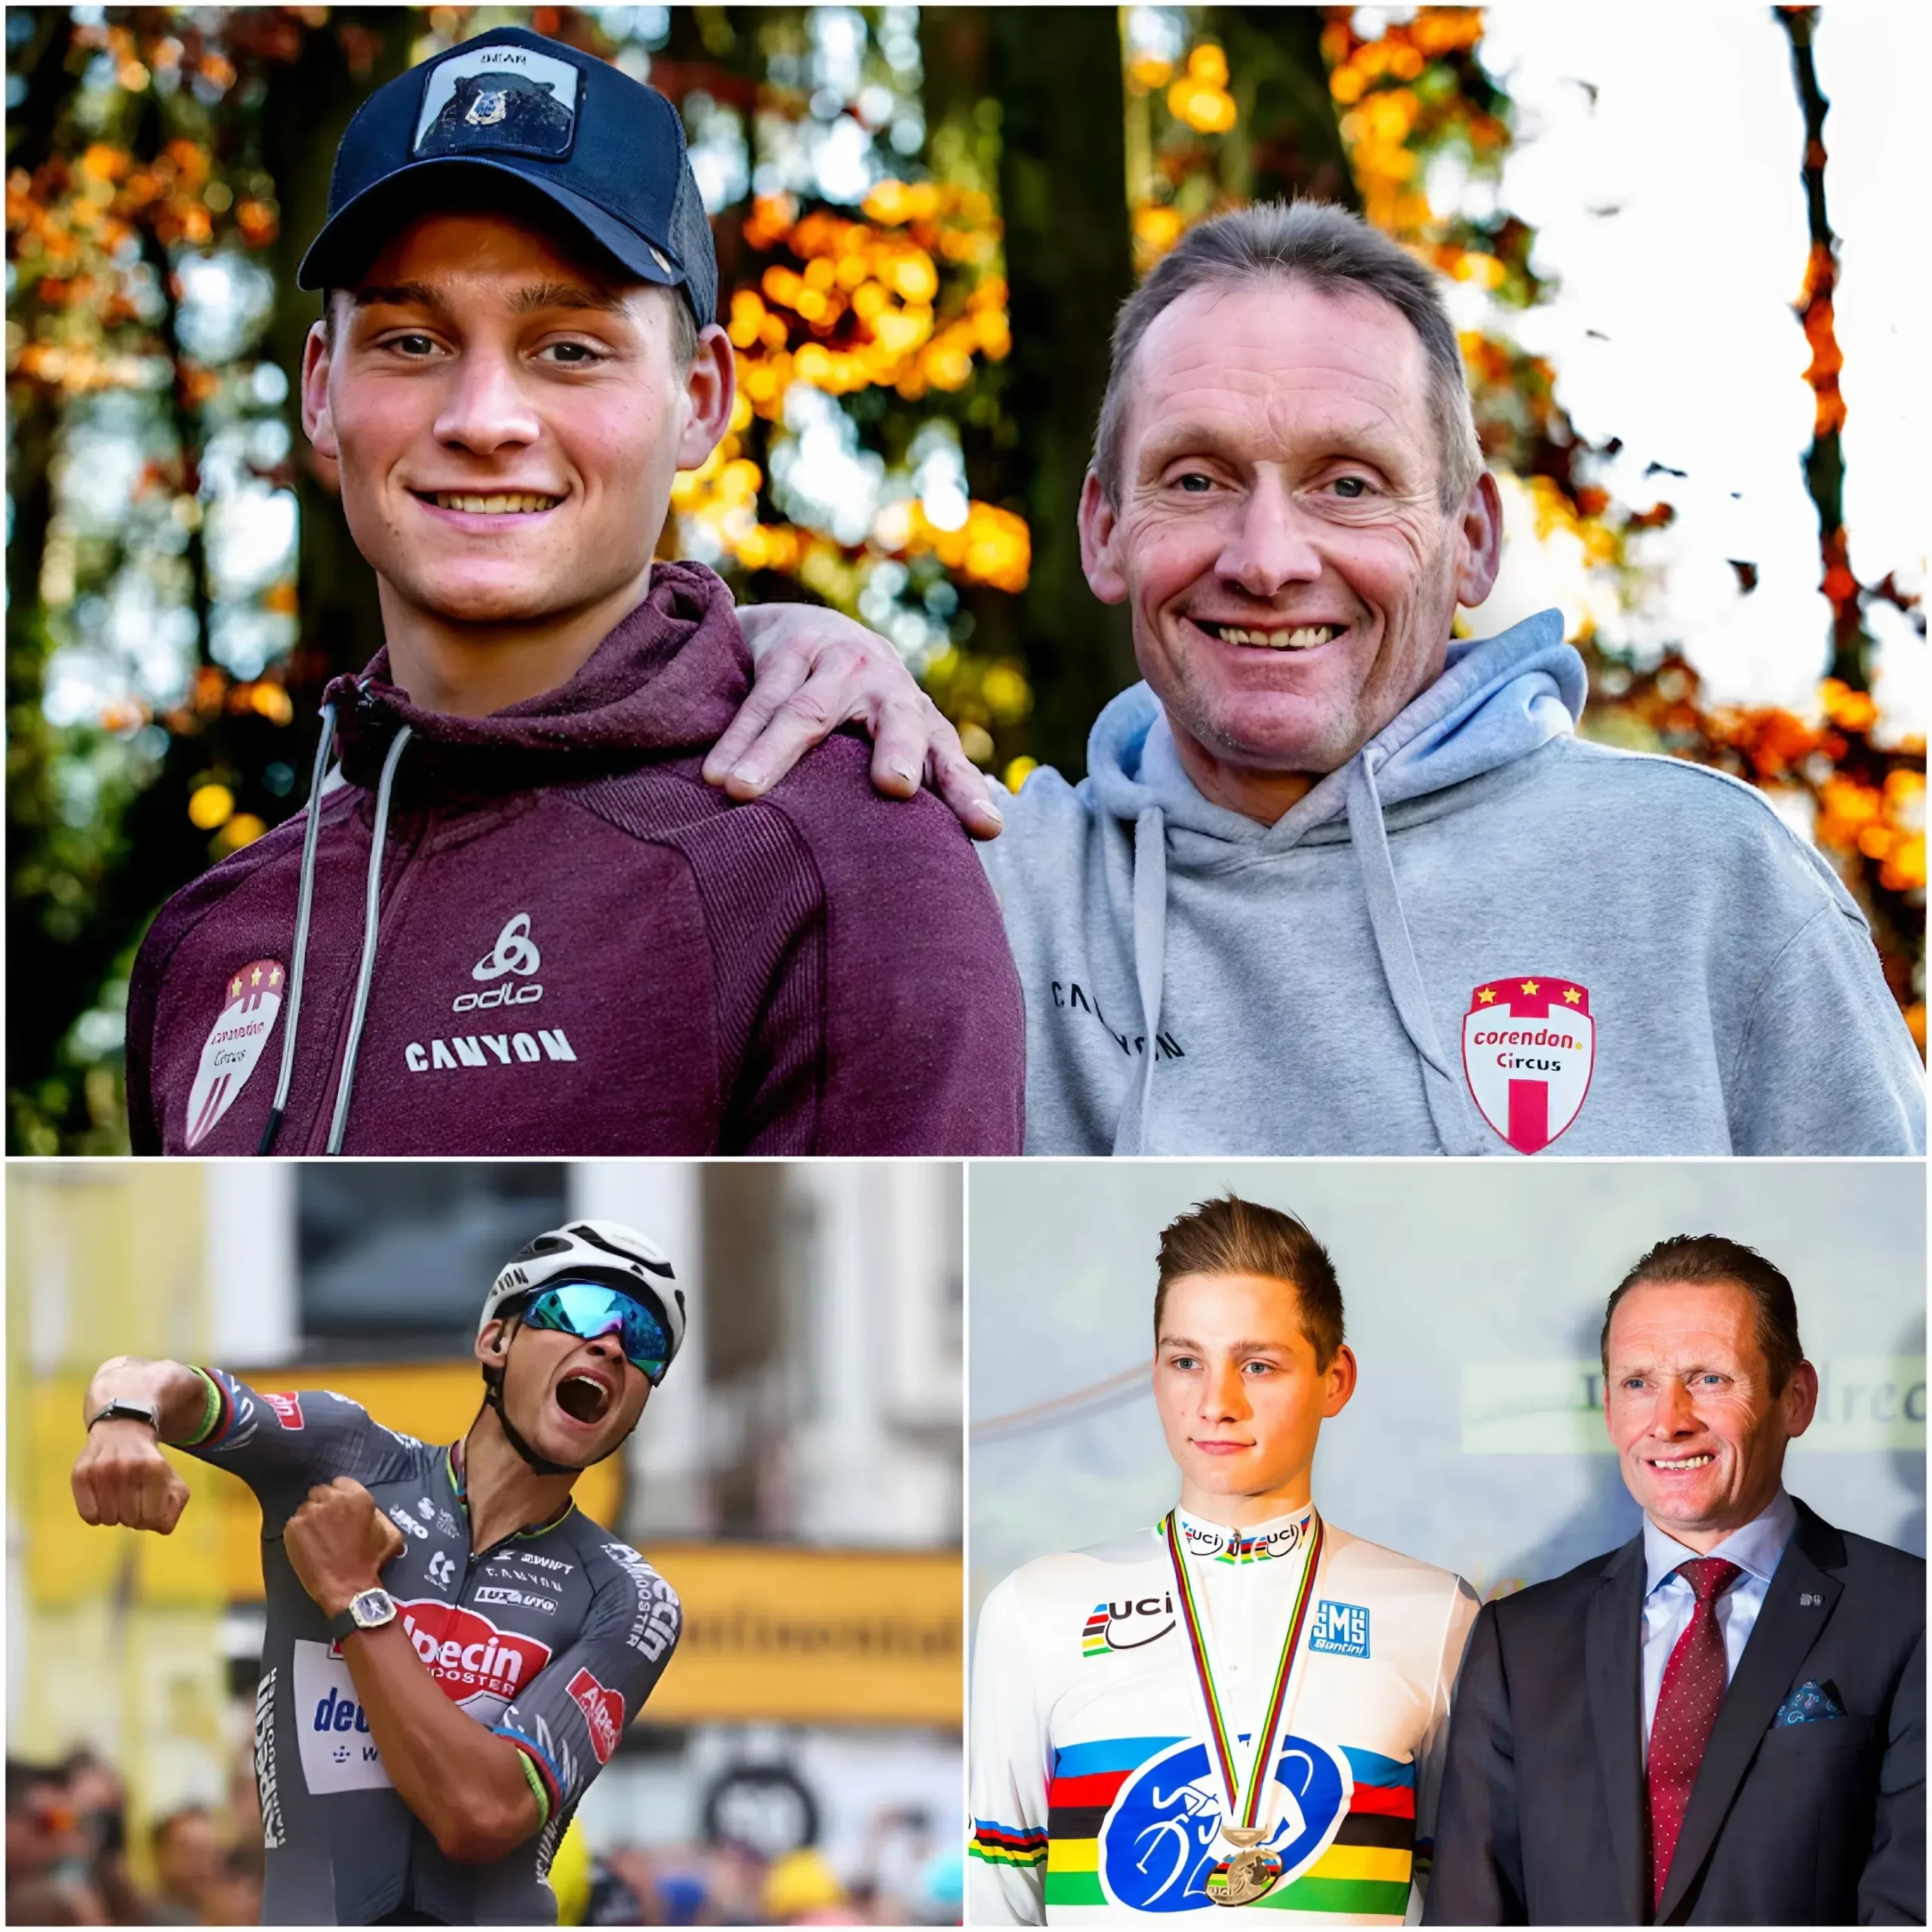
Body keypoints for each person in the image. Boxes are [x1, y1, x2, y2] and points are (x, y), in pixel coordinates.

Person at [721, 200, 1926, 1157]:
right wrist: (744, 644)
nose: (1266, 560)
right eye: (1195, 479)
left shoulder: (1703, 880)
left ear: (1471, 543)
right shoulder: (976, 894)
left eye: (1348, 484)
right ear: (1102, 530)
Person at [123, 25, 1023, 1158]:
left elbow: (895, 1331)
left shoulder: (839, 863)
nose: (483, 418)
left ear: (699, 399)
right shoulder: (216, 935)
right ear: (321, 389)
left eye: (570, 350)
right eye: (410, 340)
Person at [69, 1218, 689, 1926]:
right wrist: (123, 1420)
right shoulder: (346, 1453)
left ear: (640, 1403)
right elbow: (148, 1379)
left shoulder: (630, 1596)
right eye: (576, 1310)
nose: (610, 1344)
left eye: (643, 1341)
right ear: (496, 1342)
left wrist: (355, 1595)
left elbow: (482, 1814)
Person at [967, 1195, 1478, 1923]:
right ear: (1154, 1372)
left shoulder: (1436, 1614)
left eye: (1259, 1366)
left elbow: (1459, 1905)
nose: (1216, 1402)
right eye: (1186, 1361)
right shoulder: (1035, 1609)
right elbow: (998, 1904)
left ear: (1335, 1379)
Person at [1424, 1235, 1925, 1924]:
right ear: (1608, 1408)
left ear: (1796, 1398)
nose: (1670, 1421)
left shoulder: (1908, 1613)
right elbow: (1474, 1909)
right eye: (1639, 1384)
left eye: (1710, 1379)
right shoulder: (1520, 1640)